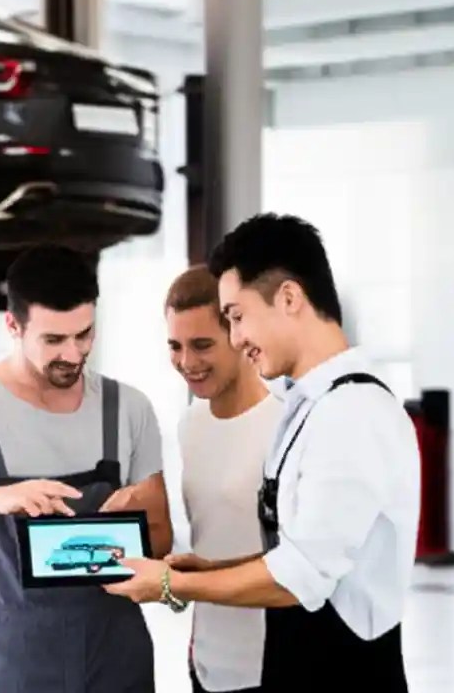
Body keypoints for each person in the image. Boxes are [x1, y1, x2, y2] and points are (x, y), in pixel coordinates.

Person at [104, 213, 420, 692]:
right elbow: (303, 548)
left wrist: (171, 586)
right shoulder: (310, 405)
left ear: (289, 298)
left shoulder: (352, 411)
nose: (236, 338)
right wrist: (213, 568)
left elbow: (303, 576)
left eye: (236, 316)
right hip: (295, 667)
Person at [0, 243, 173, 693]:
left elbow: (161, 535)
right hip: (11, 663)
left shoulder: (128, 409)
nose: (73, 354)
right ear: (13, 326)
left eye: (84, 334)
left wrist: (124, 527)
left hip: (114, 659)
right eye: (53, 340)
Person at [164, 264, 283, 693]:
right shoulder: (189, 426)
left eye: (201, 345)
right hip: (207, 662)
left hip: (271, 666)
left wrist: (189, 580)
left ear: (239, 334)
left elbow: (300, 565)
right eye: (175, 346)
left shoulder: (285, 426)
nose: (186, 362)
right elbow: (210, 539)